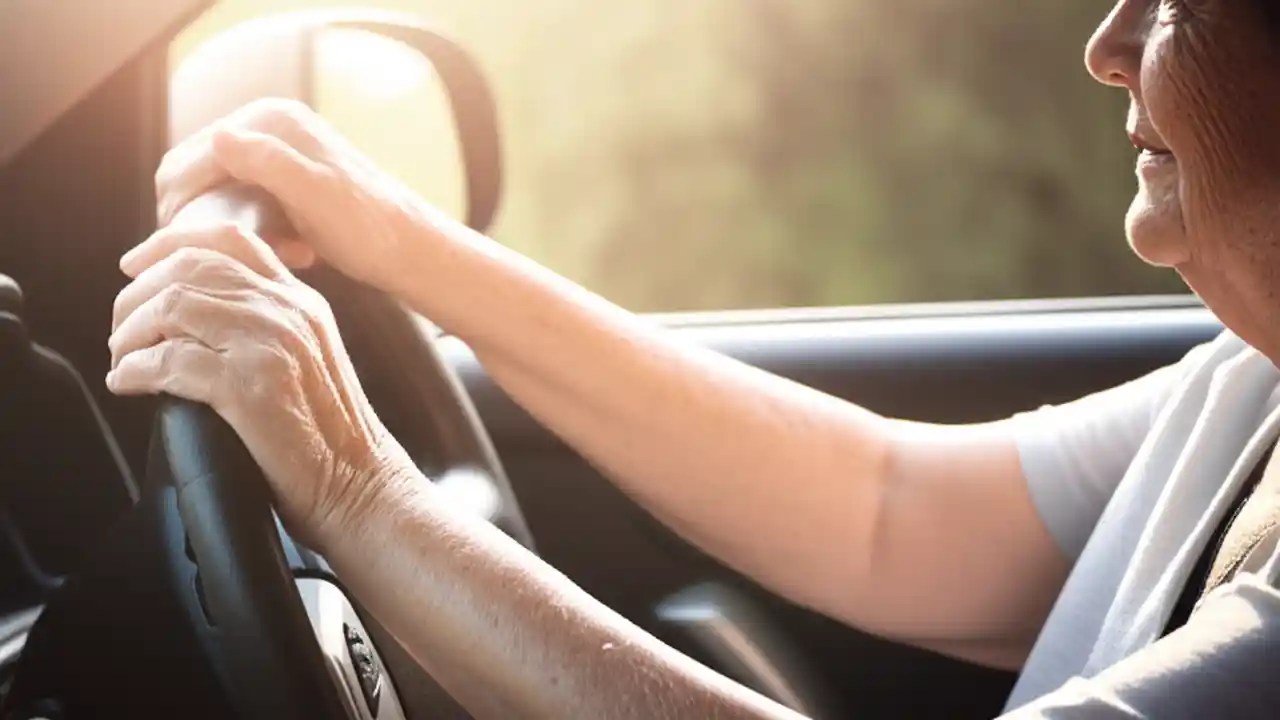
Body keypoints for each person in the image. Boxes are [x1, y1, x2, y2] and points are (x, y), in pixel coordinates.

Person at [104, 0, 1280, 717]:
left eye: (1184, 3)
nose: (1106, 46)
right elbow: (889, 515)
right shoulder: (1252, 377)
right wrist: (406, 245)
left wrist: (357, 489)